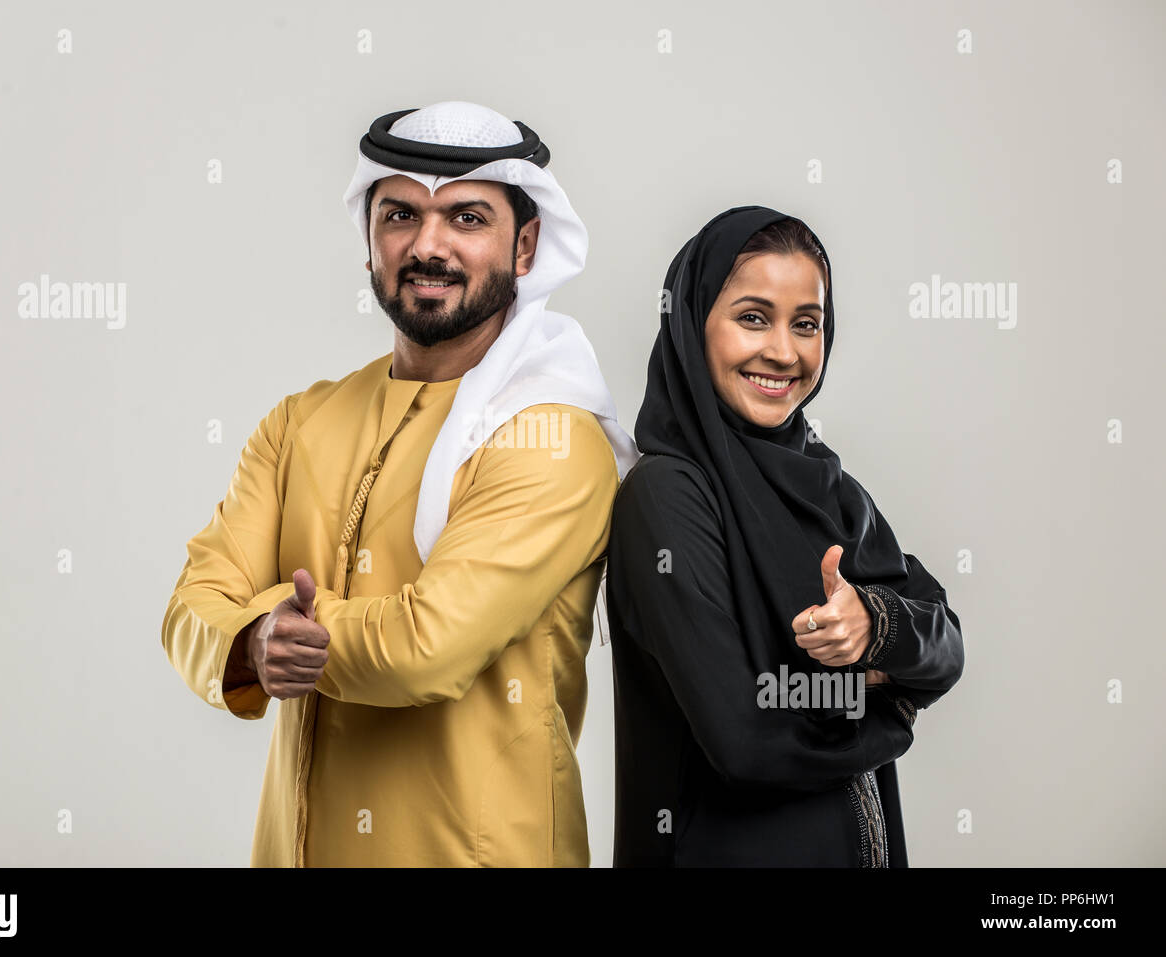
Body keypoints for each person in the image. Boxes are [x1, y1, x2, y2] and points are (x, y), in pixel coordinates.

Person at [162, 101, 638, 867]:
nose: (428, 245)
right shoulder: (300, 422)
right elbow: (191, 603)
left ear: (526, 246)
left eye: (466, 218)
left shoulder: (554, 437)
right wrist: (253, 639)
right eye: (400, 215)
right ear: (369, 243)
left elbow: (426, 647)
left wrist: (281, 630)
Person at [606, 206, 964, 867]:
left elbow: (945, 639)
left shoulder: (826, 486)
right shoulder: (666, 498)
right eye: (752, 317)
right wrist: (894, 706)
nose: (783, 350)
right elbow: (747, 741)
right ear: (693, 325)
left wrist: (875, 627)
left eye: (807, 324)